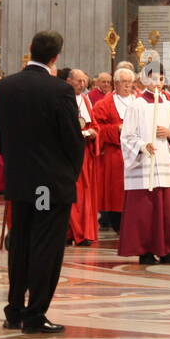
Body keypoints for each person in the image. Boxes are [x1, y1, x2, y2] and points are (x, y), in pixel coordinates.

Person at [0, 31, 85, 334]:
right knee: (44, 245)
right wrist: (70, 173)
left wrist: (15, 163)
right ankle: (35, 314)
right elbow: (73, 139)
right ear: (56, 57)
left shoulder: (5, 87)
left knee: (20, 243)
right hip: (47, 185)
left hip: (19, 181)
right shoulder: (59, 91)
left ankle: (14, 309)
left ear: (30, 50)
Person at [119, 64, 170, 265]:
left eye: (161, 79)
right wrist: (142, 145)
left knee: (167, 210)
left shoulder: (169, 105)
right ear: (145, 80)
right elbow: (127, 136)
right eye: (154, 79)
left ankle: (167, 250)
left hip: (164, 162)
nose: (158, 83)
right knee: (145, 211)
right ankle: (145, 250)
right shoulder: (136, 105)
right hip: (144, 164)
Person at [91, 67, 135, 233]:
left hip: (137, 153)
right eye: (124, 82)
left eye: (130, 82)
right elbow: (97, 128)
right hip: (115, 154)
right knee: (116, 192)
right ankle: (116, 222)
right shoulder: (105, 104)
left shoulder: (139, 102)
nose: (127, 85)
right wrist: (115, 129)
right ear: (115, 83)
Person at [67, 69, 99, 246]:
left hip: (85, 154)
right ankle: (71, 232)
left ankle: (84, 232)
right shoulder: (63, 99)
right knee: (72, 192)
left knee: (85, 193)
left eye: (84, 81)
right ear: (69, 81)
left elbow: (94, 124)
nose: (82, 85)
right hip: (69, 154)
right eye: (79, 81)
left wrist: (94, 132)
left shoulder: (86, 100)